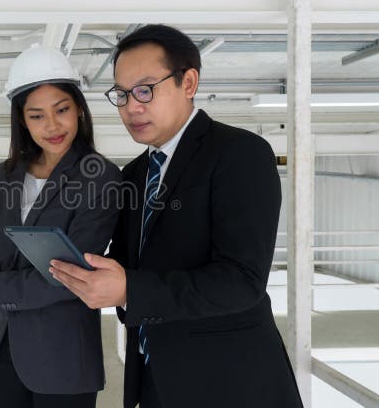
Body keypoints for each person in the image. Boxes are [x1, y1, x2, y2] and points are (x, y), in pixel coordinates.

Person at [49, 25, 303, 407]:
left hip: (231, 385)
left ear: (188, 82)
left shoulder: (239, 153)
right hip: (155, 383)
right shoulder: (134, 174)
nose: (131, 106)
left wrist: (129, 290)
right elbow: (131, 264)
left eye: (145, 89)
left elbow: (241, 281)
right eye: (121, 94)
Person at [0, 44, 121, 408]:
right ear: (22, 121)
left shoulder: (101, 177)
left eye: (61, 110)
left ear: (78, 108)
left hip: (63, 358)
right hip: (3, 351)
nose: (52, 125)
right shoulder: (7, 175)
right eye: (37, 116)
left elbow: (78, 271)